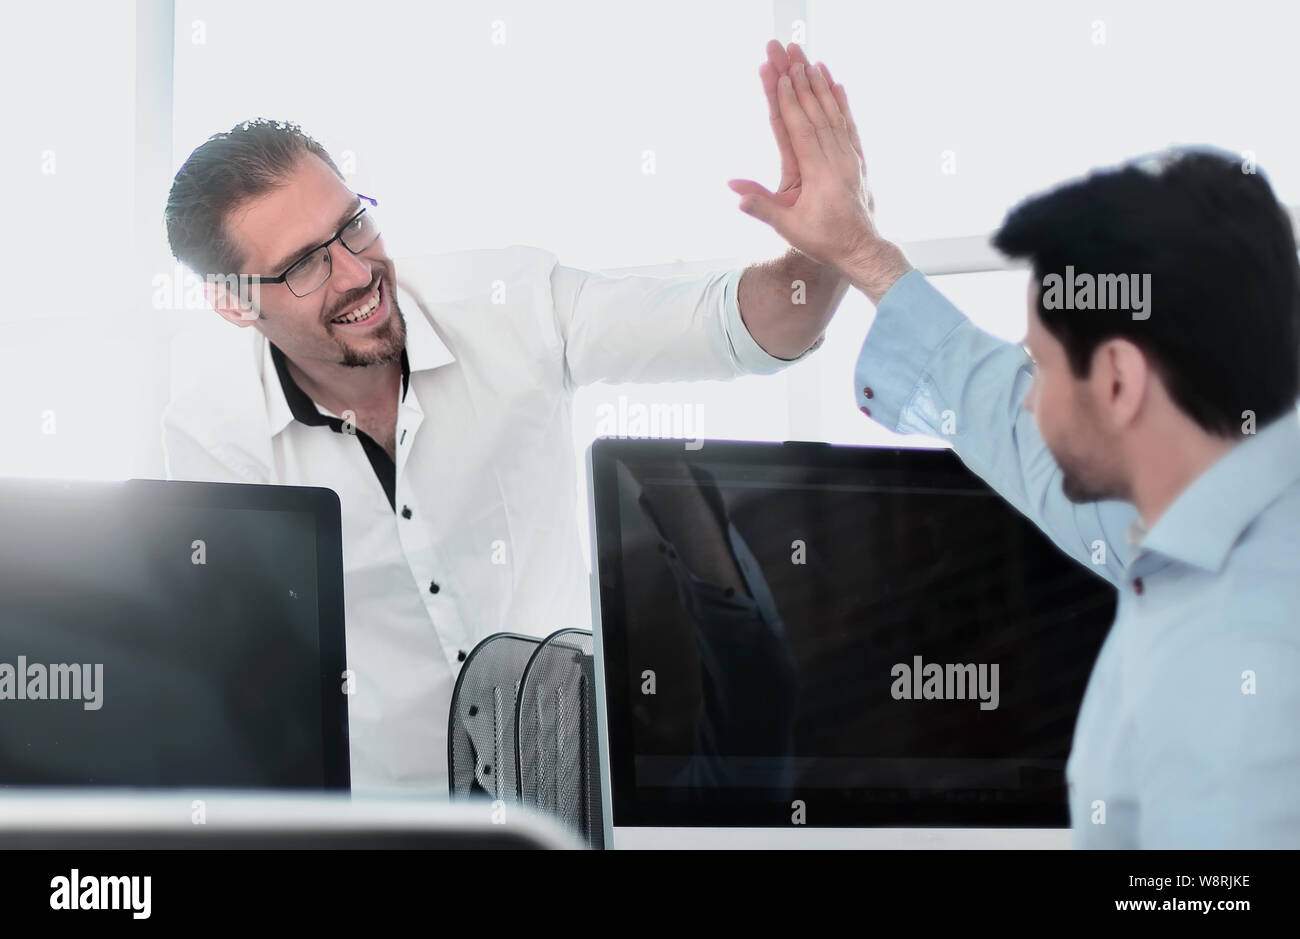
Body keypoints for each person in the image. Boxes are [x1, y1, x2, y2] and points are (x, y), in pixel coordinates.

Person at [161, 42, 851, 794]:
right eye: (303, 265)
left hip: (568, 796)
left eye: (354, 224)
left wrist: (827, 251)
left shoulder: (510, 303)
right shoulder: (214, 437)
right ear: (233, 302)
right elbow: (249, 692)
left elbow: (741, 326)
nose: (358, 273)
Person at [730, 43, 1300, 847]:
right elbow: (997, 412)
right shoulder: (1210, 500)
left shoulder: (1242, 675)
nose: (1028, 394)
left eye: (1038, 363)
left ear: (1117, 383)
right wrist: (862, 252)